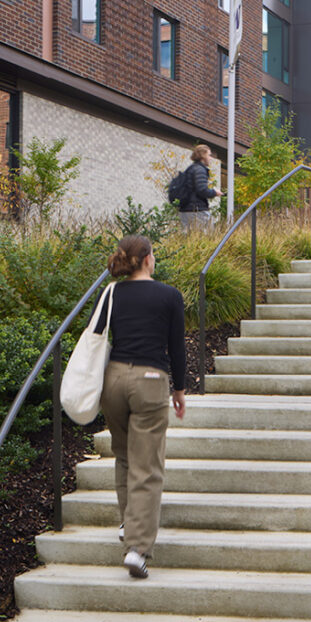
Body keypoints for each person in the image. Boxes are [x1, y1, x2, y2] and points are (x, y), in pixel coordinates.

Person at [93, 234, 186, 578]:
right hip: (150, 379)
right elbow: (177, 346)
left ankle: (127, 522)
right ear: (147, 258)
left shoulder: (111, 293)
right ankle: (137, 548)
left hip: (113, 380)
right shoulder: (169, 296)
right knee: (147, 466)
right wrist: (180, 388)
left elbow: (96, 336)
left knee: (125, 456)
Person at [179, 144, 222, 230]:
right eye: (209, 155)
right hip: (197, 210)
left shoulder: (190, 169)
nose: (210, 158)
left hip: (185, 209)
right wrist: (214, 192)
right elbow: (202, 190)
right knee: (206, 236)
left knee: (187, 238)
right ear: (203, 155)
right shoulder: (200, 170)